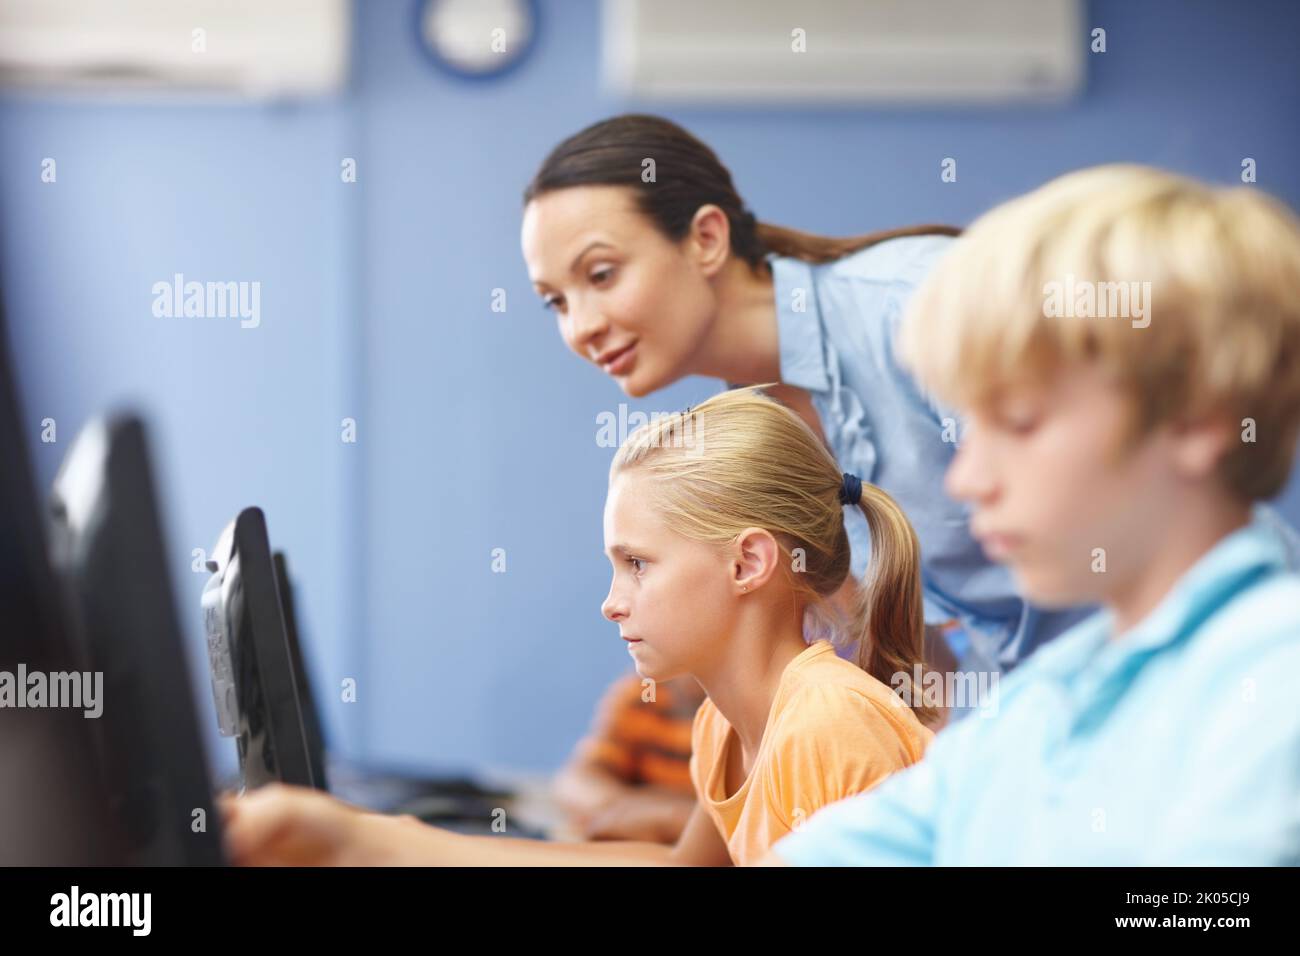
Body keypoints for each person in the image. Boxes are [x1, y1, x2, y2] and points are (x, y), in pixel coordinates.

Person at [764, 164, 1300, 865]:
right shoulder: (1034, 705)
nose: (966, 478)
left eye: (1017, 422)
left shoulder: (1272, 672)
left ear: (1198, 421)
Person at [222, 386, 935, 865]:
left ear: (749, 562)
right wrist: (369, 840)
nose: (612, 601)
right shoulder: (729, 725)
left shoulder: (826, 726)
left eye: (637, 564)